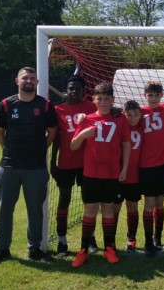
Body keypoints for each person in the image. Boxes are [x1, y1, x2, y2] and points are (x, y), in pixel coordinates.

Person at [0, 66, 58, 266]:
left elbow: (52, 131)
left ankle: (34, 249)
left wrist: (39, 149)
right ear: (17, 81)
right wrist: (8, 150)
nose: (29, 80)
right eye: (25, 77)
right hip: (9, 167)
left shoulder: (45, 106)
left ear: (37, 82)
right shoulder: (6, 105)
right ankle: (3, 249)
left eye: (32, 78)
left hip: (35, 168)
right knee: (4, 209)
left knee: (35, 210)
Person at [69, 82, 130, 267]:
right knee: (90, 211)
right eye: (99, 98)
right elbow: (73, 146)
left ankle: (109, 248)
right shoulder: (86, 119)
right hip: (91, 174)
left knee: (109, 211)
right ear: (94, 99)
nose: (103, 102)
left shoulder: (120, 119)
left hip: (111, 174)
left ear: (112, 100)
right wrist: (82, 135)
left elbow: (126, 144)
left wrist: (125, 168)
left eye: (106, 99)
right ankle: (84, 250)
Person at [50, 75, 97, 257]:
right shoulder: (58, 109)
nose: (73, 92)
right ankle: (62, 241)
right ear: (66, 90)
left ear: (83, 91)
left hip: (87, 162)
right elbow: (56, 137)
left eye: (77, 89)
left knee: (89, 201)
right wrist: (53, 161)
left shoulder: (91, 107)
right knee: (64, 199)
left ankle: (90, 238)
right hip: (66, 163)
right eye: (70, 88)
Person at [139, 81, 164, 255]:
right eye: (150, 95)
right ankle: (147, 242)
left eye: (156, 95)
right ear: (145, 95)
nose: (153, 98)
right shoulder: (139, 112)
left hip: (163, 164)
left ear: (161, 95)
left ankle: (157, 238)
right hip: (146, 165)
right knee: (149, 202)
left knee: (160, 202)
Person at [115, 100, 143, 252]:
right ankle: (110, 239)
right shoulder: (118, 129)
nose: (132, 118)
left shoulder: (142, 130)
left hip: (134, 177)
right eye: (129, 115)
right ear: (124, 115)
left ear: (140, 115)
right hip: (118, 176)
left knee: (132, 207)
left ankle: (131, 239)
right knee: (115, 208)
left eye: (135, 115)